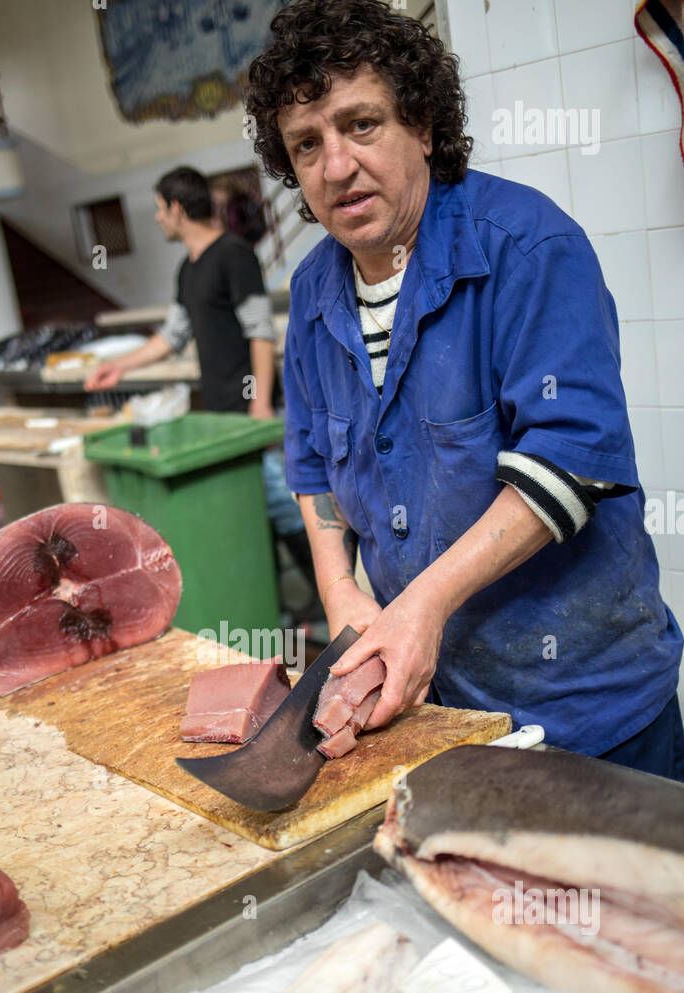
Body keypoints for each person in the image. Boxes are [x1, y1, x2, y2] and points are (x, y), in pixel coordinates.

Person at [244, 0, 684, 779]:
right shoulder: (311, 296)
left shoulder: (527, 247)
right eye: (306, 144)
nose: (335, 165)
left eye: (362, 125)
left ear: (422, 124)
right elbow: (315, 473)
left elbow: (574, 462)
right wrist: (344, 595)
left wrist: (423, 604)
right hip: (440, 712)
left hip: (586, 707)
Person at [86, 164, 322, 619]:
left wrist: (259, 405)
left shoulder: (234, 256)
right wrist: (117, 367)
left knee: (283, 506)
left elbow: (260, 334)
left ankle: (332, 607)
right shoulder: (188, 269)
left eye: (159, 208)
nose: (157, 218)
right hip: (219, 416)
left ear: (177, 208)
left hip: (250, 413)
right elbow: (171, 336)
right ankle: (278, 612)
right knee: (251, 512)